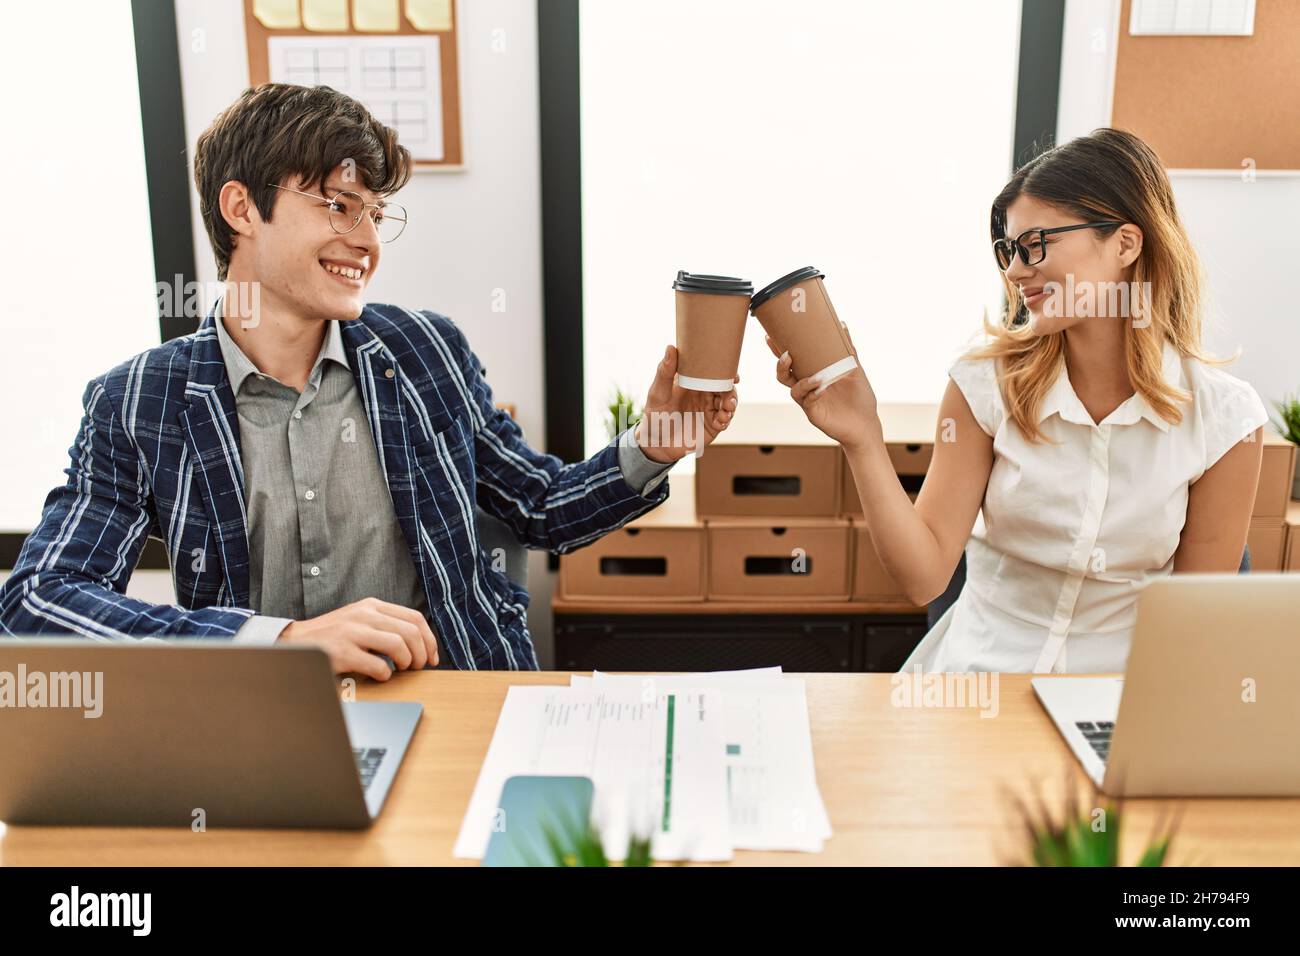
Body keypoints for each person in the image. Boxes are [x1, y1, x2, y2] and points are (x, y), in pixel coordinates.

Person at [0, 83, 739, 678]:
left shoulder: (424, 350)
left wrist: (659, 440)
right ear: (240, 209)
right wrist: (277, 641)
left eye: (377, 214)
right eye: (338, 206)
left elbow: (542, 508)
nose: (366, 241)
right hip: (271, 730)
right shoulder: (137, 402)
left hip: (462, 700)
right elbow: (38, 601)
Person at [770, 128, 1266, 673]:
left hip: (1116, 696)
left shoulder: (1225, 419)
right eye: (1008, 250)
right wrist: (863, 438)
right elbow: (923, 578)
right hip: (978, 682)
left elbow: (1193, 631)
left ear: (1125, 243)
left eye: (1036, 245)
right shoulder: (983, 385)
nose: (1014, 270)